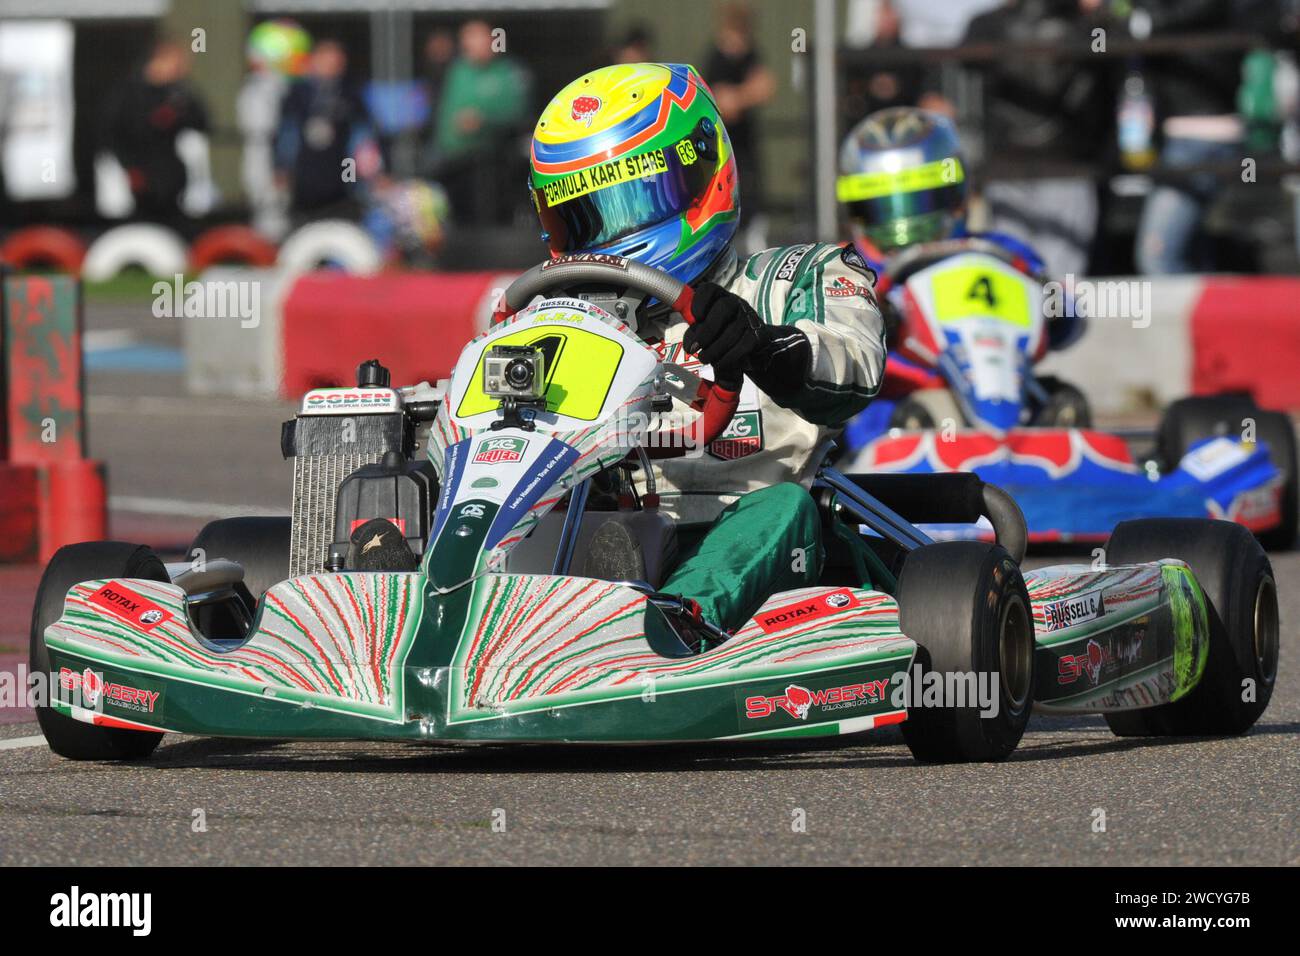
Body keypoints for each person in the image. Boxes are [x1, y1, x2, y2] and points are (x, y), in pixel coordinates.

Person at [528, 63, 887, 631]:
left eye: (631, 203)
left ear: (703, 177)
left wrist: (763, 346)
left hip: (773, 549)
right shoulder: (557, 319)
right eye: (585, 218)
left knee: (781, 506)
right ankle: (435, 600)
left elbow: (855, 363)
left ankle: (672, 629)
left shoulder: (794, 277)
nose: (609, 238)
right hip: (608, 539)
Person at [429, 19, 531, 223]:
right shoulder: (457, 71)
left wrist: (483, 121)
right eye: (467, 38)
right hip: (452, 163)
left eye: (477, 37)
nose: (470, 44)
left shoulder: (509, 72)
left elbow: (517, 112)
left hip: (492, 164)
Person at [100, 40, 209, 220]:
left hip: (171, 176)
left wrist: (180, 111)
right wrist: (130, 168)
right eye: (176, 62)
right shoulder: (129, 93)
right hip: (141, 175)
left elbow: (202, 122)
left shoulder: (178, 93)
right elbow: (112, 134)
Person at [274, 39, 379, 219]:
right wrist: (284, 168)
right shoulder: (298, 94)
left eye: (337, 62)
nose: (332, 67)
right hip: (306, 178)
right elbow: (287, 136)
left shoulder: (351, 94)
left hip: (341, 180)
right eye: (327, 60)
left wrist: (356, 180)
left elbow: (360, 141)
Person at [701, 2, 775, 249]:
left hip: (746, 143)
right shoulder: (716, 59)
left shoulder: (751, 55)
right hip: (722, 144)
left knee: (754, 197)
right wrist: (747, 93)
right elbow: (725, 103)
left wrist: (740, 95)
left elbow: (766, 88)